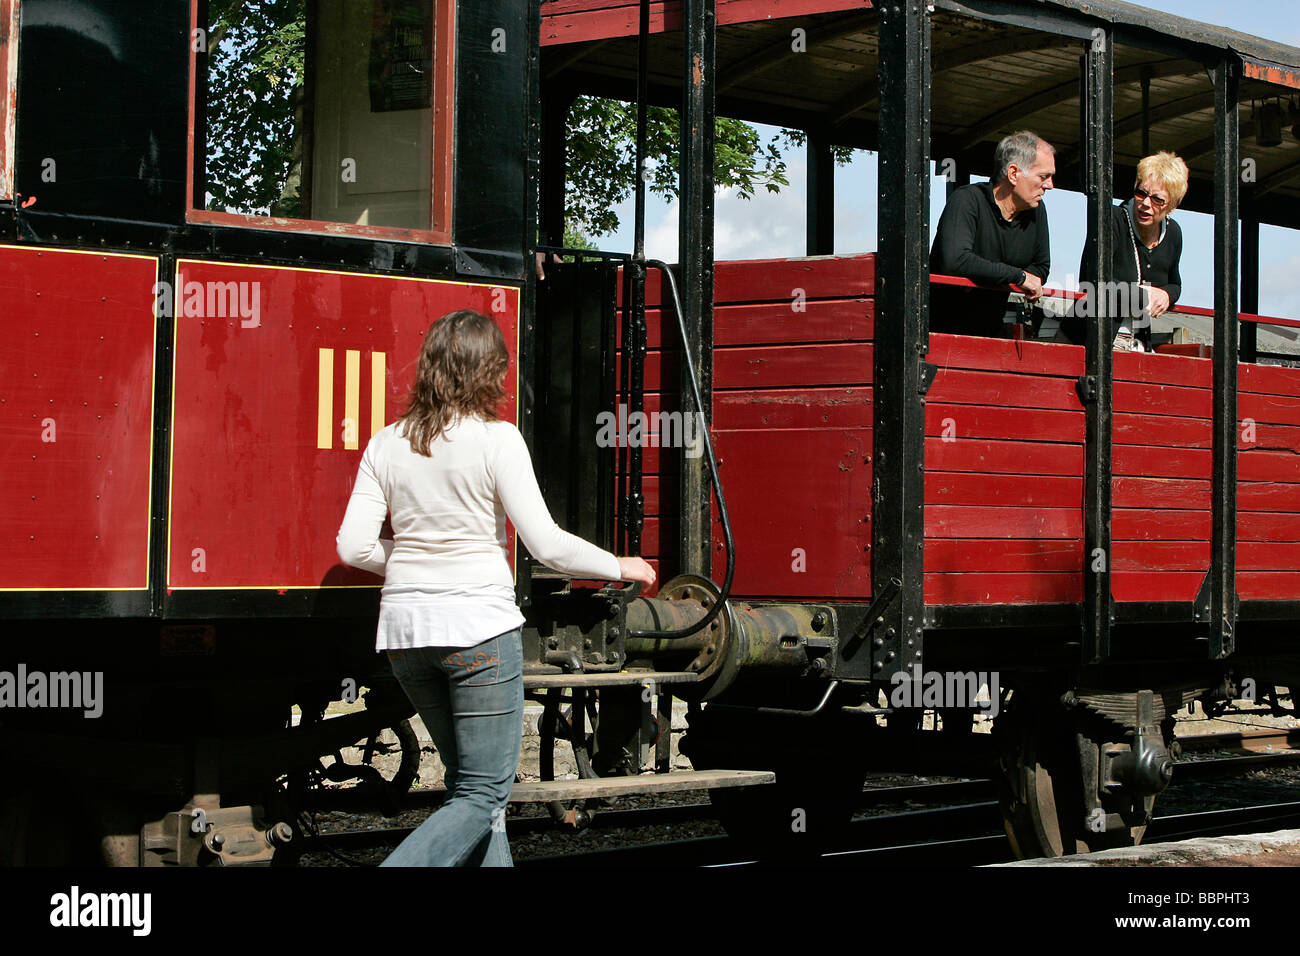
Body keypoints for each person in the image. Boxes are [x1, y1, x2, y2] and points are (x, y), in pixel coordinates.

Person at [335, 309, 655, 867]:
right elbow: (546, 544)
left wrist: (416, 563)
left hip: (406, 638)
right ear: (490, 372)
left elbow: (354, 548)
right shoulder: (497, 440)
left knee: (473, 792)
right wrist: (620, 565)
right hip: (478, 634)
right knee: (485, 794)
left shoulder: (385, 444)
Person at [929, 130, 1055, 337]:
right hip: (937, 333)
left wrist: (981, 274)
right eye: (1044, 176)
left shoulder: (1036, 211)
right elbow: (955, 261)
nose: (1050, 185)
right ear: (1013, 173)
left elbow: (1041, 269)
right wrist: (1018, 276)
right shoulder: (966, 200)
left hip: (990, 333)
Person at [1061, 151, 1188, 350]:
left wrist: (1166, 295)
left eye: (1157, 200)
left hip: (1138, 342)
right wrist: (1143, 295)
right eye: (1141, 193)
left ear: (1171, 206)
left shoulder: (1174, 234)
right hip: (1093, 338)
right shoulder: (1111, 218)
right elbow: (1093, 280)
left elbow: (1175, 283)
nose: (1146, 203)